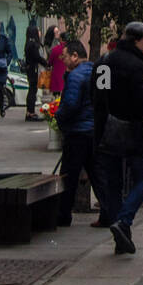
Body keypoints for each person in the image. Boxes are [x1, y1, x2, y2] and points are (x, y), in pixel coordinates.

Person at [92, 21, 143, 254]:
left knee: (112, 184)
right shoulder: (138, 66)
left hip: (108, 130)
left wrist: (101, 127)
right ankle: (124, 220)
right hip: (132, 130)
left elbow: (98, 98)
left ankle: (121, 238)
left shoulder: (105, 62)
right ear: (135, 40)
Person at [56, 40, 100, 227]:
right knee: (97, 175)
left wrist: (59, 117)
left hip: (77, 132)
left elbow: (70, 105)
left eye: (64, 56)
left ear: (75, 56)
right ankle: (109, 211)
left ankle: (63, 215)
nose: (63, 60)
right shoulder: (97, 72)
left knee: (68, 175)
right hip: (94, 131)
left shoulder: (75, 76)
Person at [23, 22, 45, 122]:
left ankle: (29, 111)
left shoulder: (28, 43)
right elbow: (37, 57)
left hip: (30, 68)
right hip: (33, 69)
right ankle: (30, 112)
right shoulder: (32, 45)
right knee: (33, 90)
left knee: (32, 90)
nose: (39, 32)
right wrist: (46, 63)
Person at [45, 25, 66, 103]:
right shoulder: (50, 44)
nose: (58, 33)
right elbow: (50, 53)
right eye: (56, 32)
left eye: (58, 31)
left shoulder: (60, 43)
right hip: (54, 66)